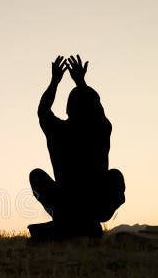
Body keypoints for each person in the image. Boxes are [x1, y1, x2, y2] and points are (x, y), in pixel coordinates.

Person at [28, 55, 125, 242]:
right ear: (94, 107)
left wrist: (55, 81)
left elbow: (43, 111)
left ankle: (65, 222)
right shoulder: (101, 130)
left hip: (66, 205)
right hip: (92, 205)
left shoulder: (58, 131)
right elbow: (97, 109)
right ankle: (79, 223)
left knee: (36, 176)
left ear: (68, 109)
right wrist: (81, 82)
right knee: (115, 177)